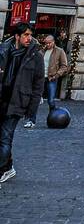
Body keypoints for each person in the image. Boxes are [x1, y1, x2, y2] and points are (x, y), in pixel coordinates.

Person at [0, 23, 44, 183]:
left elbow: (39, 84)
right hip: (2, 98)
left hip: (18, 101)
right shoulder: (4, 50)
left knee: (5, 137)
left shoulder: (35, 56)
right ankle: (8, 167)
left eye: (30, 35)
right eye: (25, 35)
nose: (29, 38)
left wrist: (31, 112)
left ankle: (1, 170)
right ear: (17, 36)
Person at [41, 34, 69, 110]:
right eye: (46, 43)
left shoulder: (60, 51)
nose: (47, 44)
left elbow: (64, 66)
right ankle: (32, 120)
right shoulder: (42, 51)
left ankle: (52, 116)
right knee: (35, 100)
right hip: (41, 78)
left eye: (49, 43)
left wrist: (56, 75)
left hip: (52, 78)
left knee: (51, 100)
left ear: (53, 42)